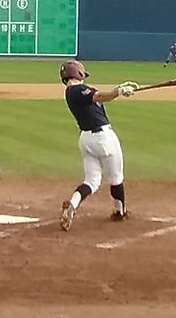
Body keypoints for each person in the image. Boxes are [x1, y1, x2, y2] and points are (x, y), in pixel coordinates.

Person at [58, 60, 138, 231]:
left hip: (86, 140)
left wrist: (118, 89)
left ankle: (73, 203)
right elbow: (99, 97)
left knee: (91, 181)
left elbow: (98, 98)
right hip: (104, 138)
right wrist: (119, 92)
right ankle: (120, 211)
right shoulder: (78, 90)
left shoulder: (69, 92)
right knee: (116, 178)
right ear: (78, 73)